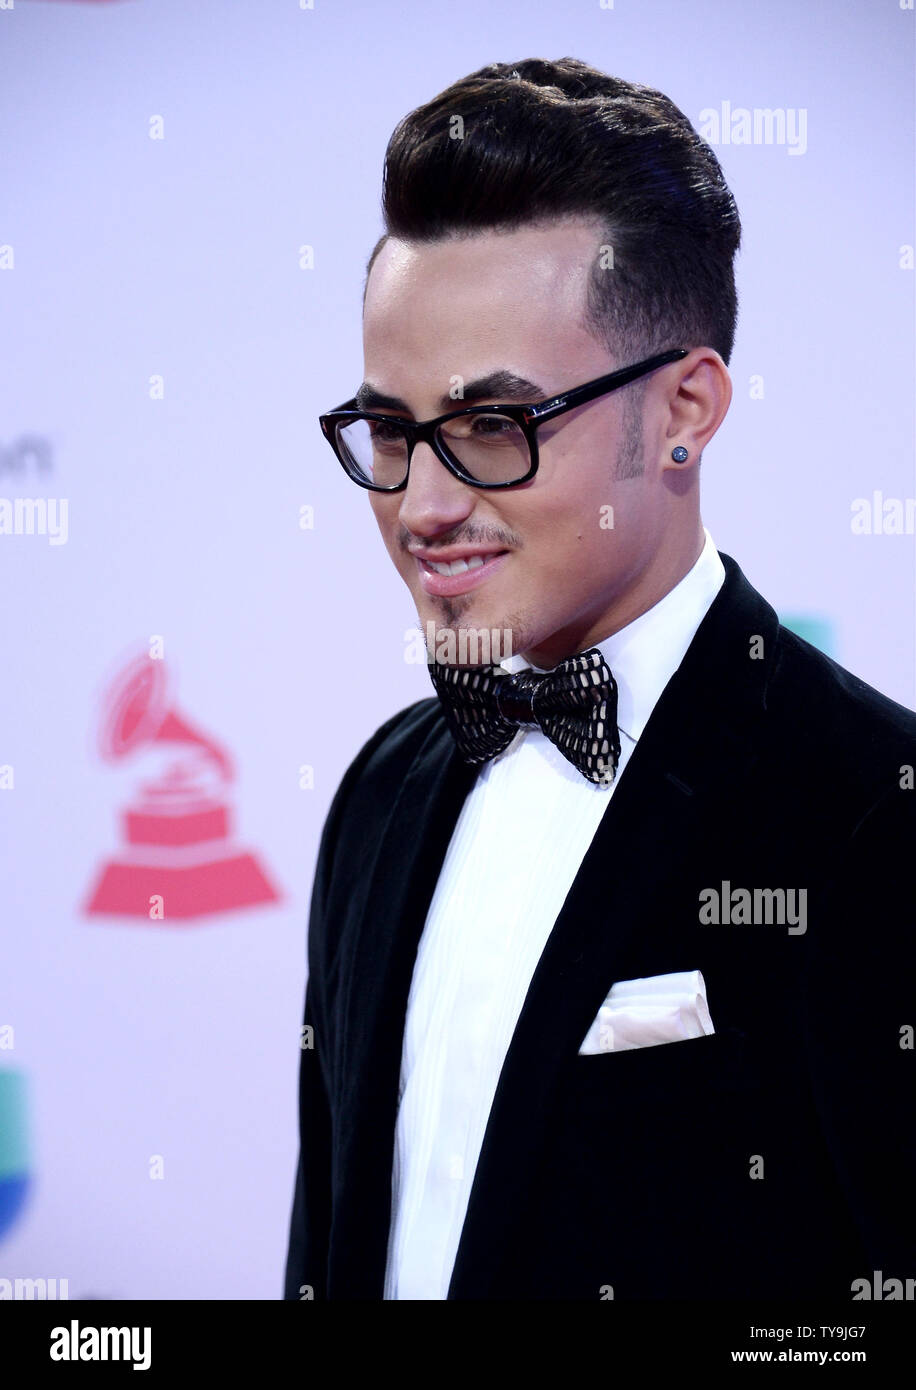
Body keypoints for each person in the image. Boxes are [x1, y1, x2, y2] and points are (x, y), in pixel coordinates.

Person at [283, 57, 916, 1301]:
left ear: (685, 407)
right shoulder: (380, 792)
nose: (423, 505)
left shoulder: (870, 812)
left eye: (493, 426)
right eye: (393, 432)